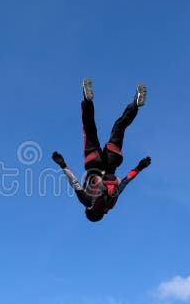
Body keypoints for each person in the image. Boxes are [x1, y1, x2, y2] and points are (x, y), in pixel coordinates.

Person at [52, 79, 151, 222]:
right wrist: (62, 164)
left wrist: (140, 167)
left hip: (112, 162)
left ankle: (136, 104)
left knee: (119, 127)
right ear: (88, 210)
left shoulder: (111, 203)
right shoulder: (87, 202)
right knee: (89, 128)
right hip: (94, 162)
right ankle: (87, 100)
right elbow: (74, 182)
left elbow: (126, 180)